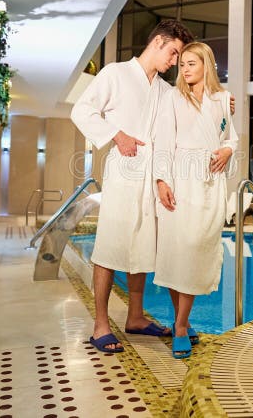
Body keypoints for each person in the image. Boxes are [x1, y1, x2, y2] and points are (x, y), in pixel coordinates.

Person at [70, 19, 193, 353]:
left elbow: (187, 118)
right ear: (158, 42)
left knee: (142, 247)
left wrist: (224, 106)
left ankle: (135, 317)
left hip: (153, 178)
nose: (175, 62)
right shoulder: (115, 73)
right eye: (173, 53)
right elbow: (82, 111)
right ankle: (100, 325)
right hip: (124, 173)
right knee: (109, 248)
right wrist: (116, 135)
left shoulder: (165, 90)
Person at [153, 42, 239, 359]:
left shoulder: (222, 99)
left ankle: (182, 321)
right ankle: (181, 326)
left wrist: (228, 150)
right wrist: (162, 180)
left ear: (206, 65)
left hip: (210, 184)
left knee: (195, 249)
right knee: (176, 253)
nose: (185, 69)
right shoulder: (173, 98)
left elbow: (231, 137)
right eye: (182, 64)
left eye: (191, 63)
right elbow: (163, 142)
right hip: (179, 181)